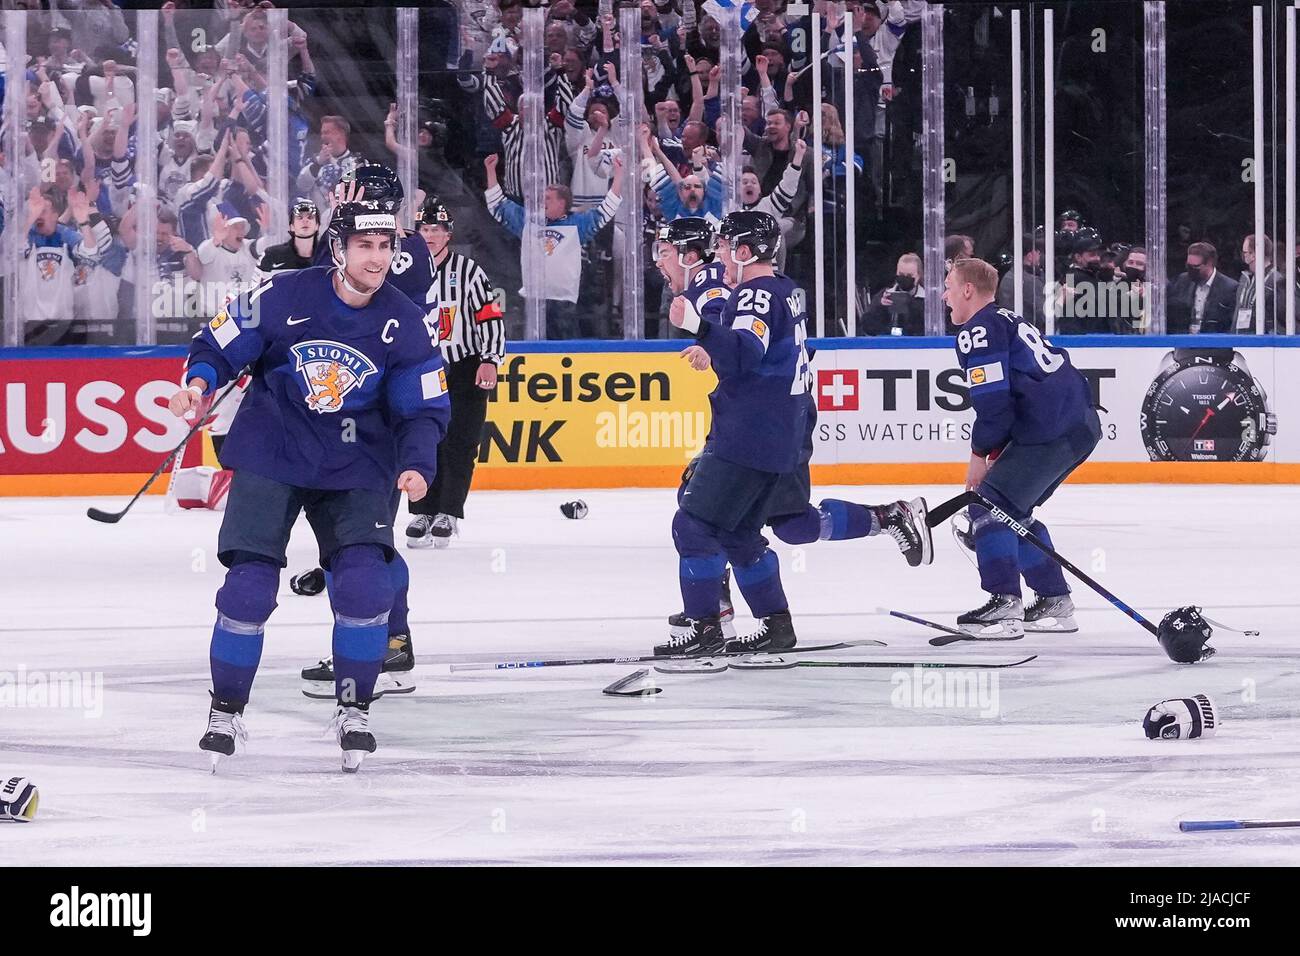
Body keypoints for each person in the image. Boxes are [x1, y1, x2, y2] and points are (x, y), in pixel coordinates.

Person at [167, 197, 450, 772]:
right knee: (247, 588)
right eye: (365, 246)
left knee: (366, 586)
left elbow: (423, 408)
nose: (377, 258)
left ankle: (354, 708)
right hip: (275, 451)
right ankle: (227, 711)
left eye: (385, 247)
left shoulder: (407, 322)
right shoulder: (283, 293)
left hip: (358, 463)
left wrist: (418, 463)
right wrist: (198, 383)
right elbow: (218, 344)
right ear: (339, 249)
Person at [661, 211, 928, 658]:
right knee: (744, 533)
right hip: (778, 429)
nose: (720, 254)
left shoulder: (756, 294)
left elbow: (746, 351)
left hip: (750, 433)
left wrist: (701, 328)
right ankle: (774, 625)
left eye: (726, 247)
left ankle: (705, 627)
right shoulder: (786, 290)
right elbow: (767, 354)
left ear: (745, 252)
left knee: (693, 525)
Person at [943, 257, 1101, 638]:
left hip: (1050, 431)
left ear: (968, 290)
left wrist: (979, 456)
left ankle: (1004, 605)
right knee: (1015, 513)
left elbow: (994, 406)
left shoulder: (977, 331)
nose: (944, 295)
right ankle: (1053, 600)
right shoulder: (1008, 318)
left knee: (987, 507)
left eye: (949, 286)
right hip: (1078, 425)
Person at [404, 198, 507, 548]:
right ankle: (421, 509)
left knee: (460, 443)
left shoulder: (469, 271)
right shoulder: (404, 270)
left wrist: (490, 358)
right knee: (421, 441)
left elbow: (490, 317)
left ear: (448, 234)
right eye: (424, 229)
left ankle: (448, 511)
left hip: (464, 368)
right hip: (419, 369)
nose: (430, 235)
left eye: (436, 229)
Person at [1167, 242, 1238, 334]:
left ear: (1209, 264)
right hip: (1185, 340)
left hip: (1215, 343)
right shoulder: (1182, 281)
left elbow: (1230, 323)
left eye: (1195, 267)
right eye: (1189, 266)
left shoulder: (1229, 287)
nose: (1191, 270)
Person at [257, 198, 320, 275]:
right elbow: (255, 285)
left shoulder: (330, 256)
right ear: (291, 226)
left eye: (310, 217)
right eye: (299, 217)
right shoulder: (271, 255)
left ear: (317, 225)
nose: (305, 221)